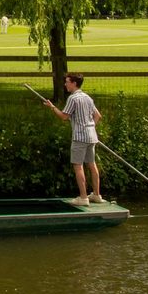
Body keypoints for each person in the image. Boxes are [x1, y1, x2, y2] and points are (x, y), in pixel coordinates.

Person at [43, 72, 103, 206]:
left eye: (67, 82)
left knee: (78, 166)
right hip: (92, 135)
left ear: (74, 83)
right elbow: (98, 116)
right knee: (92, 165)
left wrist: (52, 107)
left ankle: (83, 197)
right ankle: (97, 195)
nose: (65, 84)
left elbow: (64, 116)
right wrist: (90, 126)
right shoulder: (87, 97)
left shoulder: (73, 98)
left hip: (80, 137)